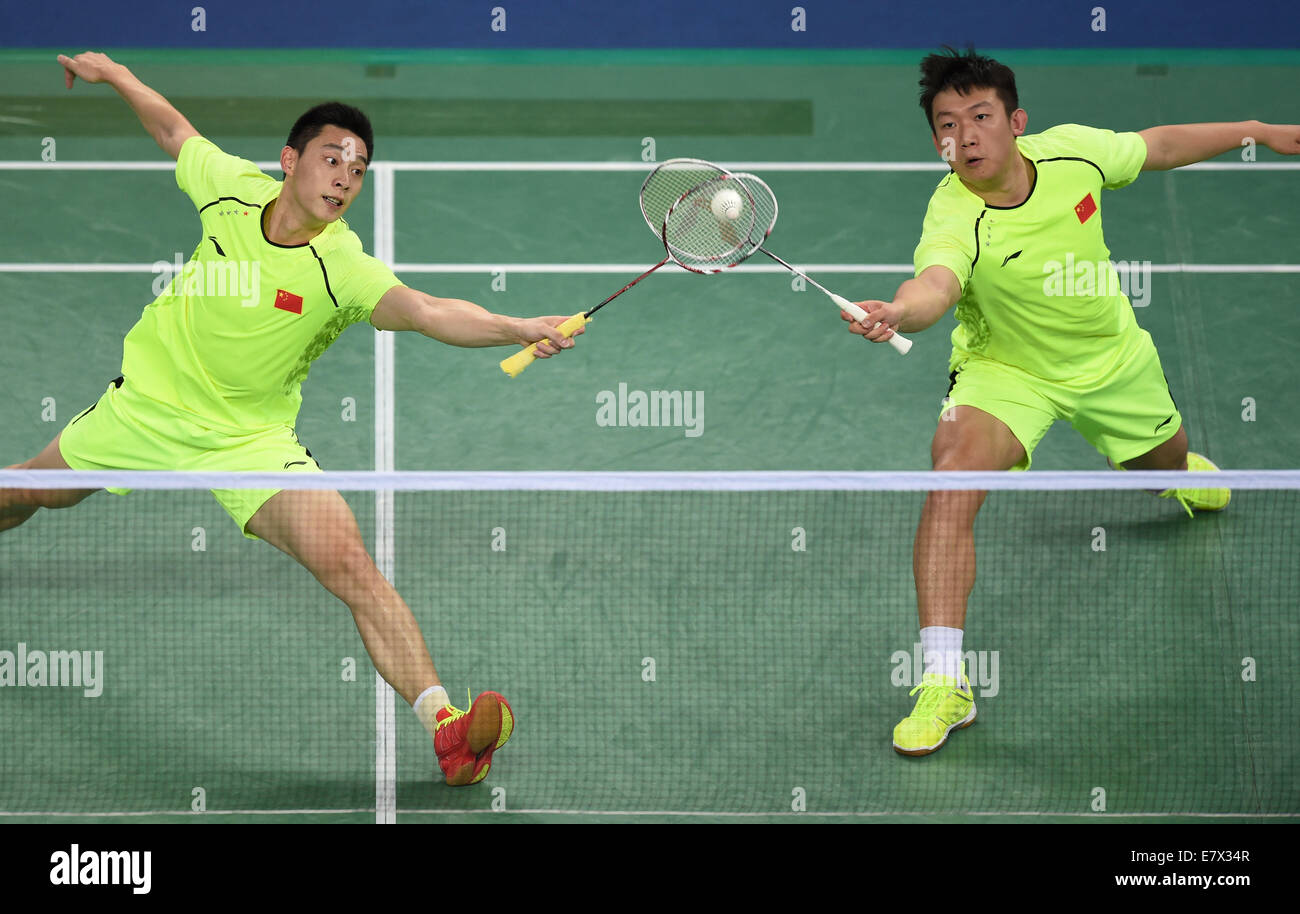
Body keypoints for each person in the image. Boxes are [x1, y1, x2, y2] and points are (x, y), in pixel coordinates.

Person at [0, 51, 583, 786]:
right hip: (143, 408)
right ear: (288, 161)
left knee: (351, 565)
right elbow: (173, 130)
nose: (345, 176)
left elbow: (429, 312)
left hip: (249, 441)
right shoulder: (232, 190)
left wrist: (516, 325)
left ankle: (448, 728)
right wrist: (115, 74)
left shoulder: (346, 267)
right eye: (333, 157)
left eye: (359, 168)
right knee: (22, 493)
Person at [843, 47, 1300, 757]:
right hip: (1007, 372)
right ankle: (943, 683)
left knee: (1165, 469)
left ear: (1016, 122)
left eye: (980, 117)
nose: (963, 137)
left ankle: (1172, 476)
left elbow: (1159, 146)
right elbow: (934, 284)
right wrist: (902, 312)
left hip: (1112, 364)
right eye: (946, 124)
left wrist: (1258, 129)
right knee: (949, 484)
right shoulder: (953, 211)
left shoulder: (1074, 157)